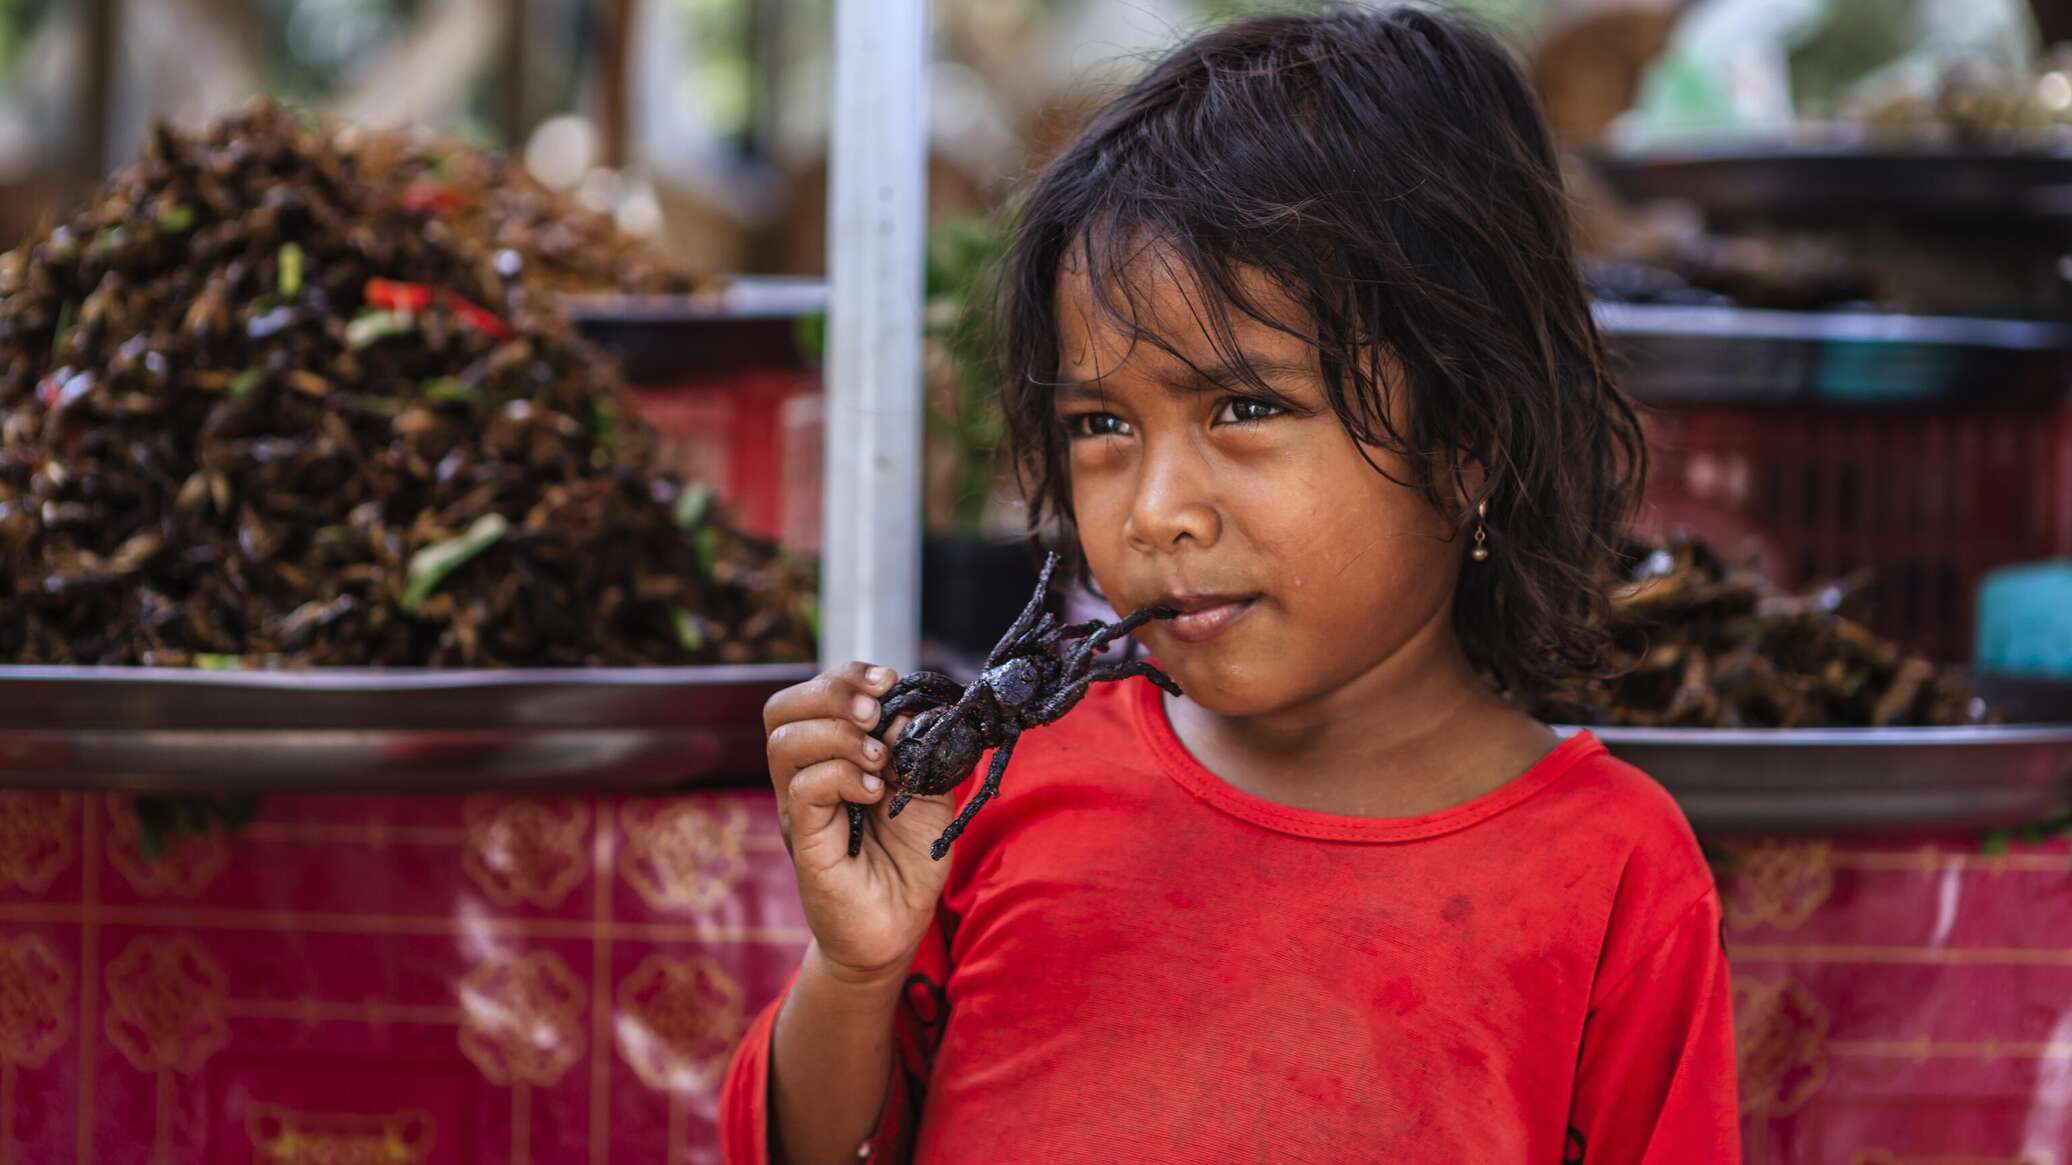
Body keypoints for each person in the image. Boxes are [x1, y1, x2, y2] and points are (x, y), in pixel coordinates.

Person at [722, 7, 1739, 1162]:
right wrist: (856, 970)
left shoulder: (1611, 872)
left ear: (1467, 435)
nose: (1154, 509)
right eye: (1100, 425)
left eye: (1243, 408)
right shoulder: (993, 799)